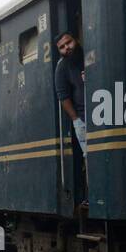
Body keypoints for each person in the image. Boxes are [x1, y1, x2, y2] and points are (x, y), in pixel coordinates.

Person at [54, 31, 89, 206]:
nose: (67, 48)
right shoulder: (62, 67)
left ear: (76, 40)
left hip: (103, 113)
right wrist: (76, 120)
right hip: (83, 118)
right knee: (89, 155)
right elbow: (63, 96)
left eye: (68, 43)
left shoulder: (89, 52)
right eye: (62, 47)